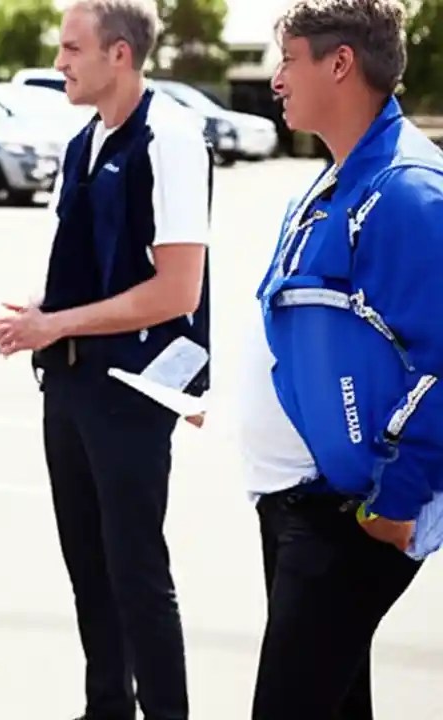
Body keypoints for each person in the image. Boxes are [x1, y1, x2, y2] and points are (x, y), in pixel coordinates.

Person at [0, 1, 212, 718]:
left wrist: (55, 324)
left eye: (71, 49)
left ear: (120, 54)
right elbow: (79, 265)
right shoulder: (83, 142)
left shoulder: (170, 139)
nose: (59, 64)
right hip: (71, 382)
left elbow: (178, 290)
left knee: (136, 575)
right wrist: (35, 314)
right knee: (89, 572)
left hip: (135, 389)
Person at [242, 1, 443, 717]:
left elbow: (441, 360)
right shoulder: (338, 176)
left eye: (289, 59)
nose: (275, 79)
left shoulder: (408, 192)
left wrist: (395, 501)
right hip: (299, 504)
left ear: (339, 63)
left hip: (347, 514)